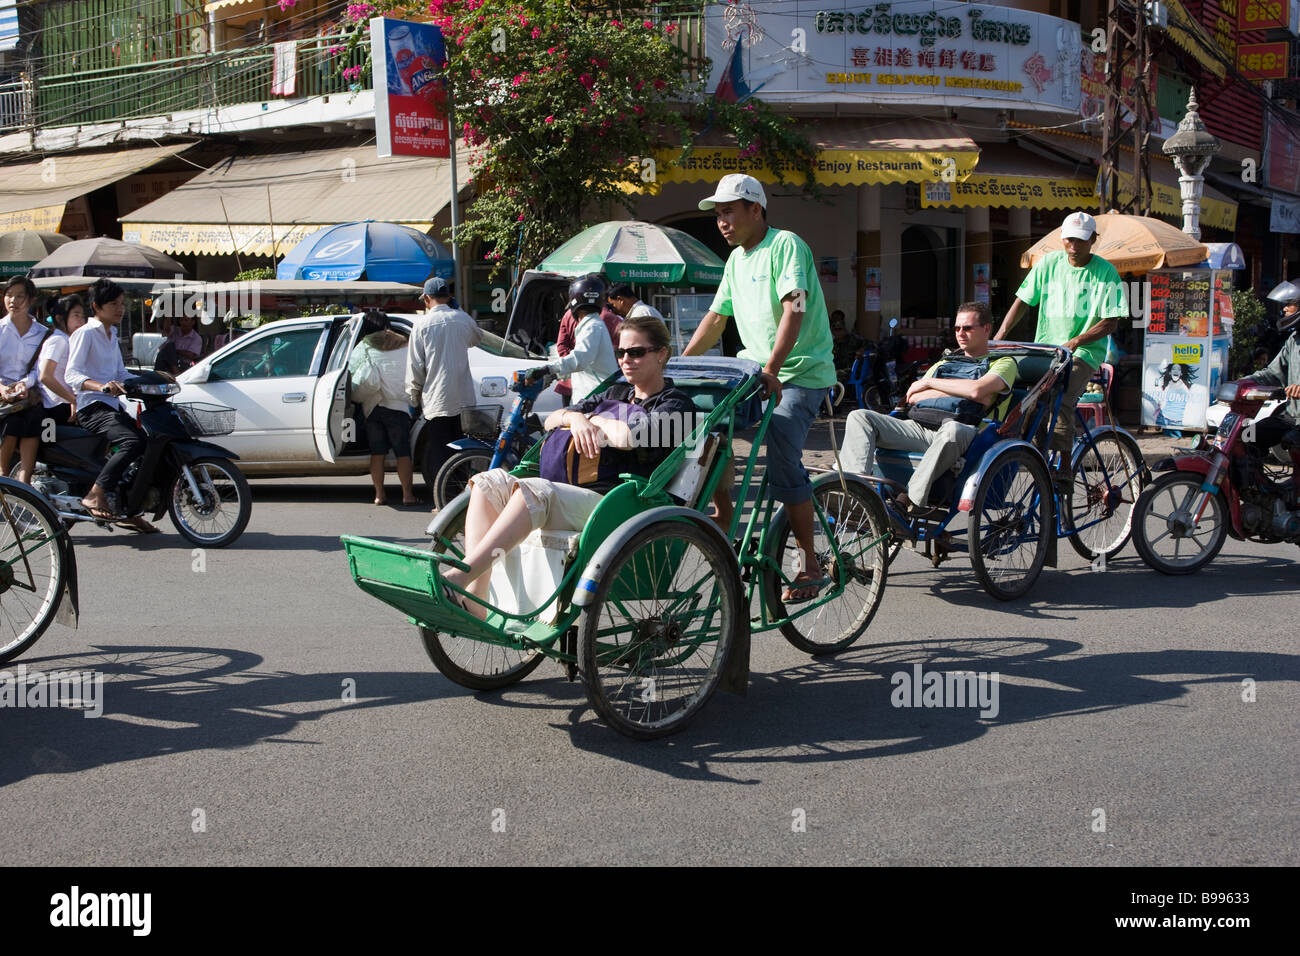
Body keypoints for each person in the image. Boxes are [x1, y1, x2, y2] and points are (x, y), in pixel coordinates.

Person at [443, 315, 694, 619]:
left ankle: (460, 577)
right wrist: (575, 419)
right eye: (621, 353)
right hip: (576, 492)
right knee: (486, 481)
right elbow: (552, 419)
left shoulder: (677, 405)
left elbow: (630, 437)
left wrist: (596, 420)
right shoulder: (616, 393)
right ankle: (475, 594)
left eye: (637, 352)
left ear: (662, 354)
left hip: (622, 505)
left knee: (532, 491)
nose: (626, 360)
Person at [682, 173, 836, 603]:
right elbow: (716, 319)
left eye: (729, 211)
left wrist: (773, 368)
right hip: (753, 371)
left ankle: (809, 561)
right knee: (707, 431)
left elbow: (796, 307)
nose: (722, 221)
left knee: (782, 455)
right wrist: (677, 364)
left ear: (756, 209)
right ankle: (726, 517)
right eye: (717, 214)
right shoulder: (735, 261)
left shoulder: (786, 245)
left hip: (801, 374)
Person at [842, 302, 1018, 513]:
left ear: (987, 329)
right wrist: (958, 390)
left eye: (967, 328)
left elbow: (977, 392)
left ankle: (907, 500)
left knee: (953, 430)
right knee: (859, 416)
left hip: (967, 434)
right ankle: (855, 491)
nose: (960, 333)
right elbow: (913, 395)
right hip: (921, 426)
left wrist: (930, 383)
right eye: (957, 328)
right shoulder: (944, 363)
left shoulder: (1003, 362)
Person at [995, 210, 1126, 481]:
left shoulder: (1106, 272)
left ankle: (1065, 464)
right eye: (1069, 240)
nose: (1074, 247)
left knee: (1061, 396)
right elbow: (1022, 300)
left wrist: (1077, 340)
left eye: (1080, 241)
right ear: (1062, 239)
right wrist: (1001, 332)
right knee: (1023, 391)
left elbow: (1110, 322)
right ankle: (1033, 451)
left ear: (1092, 240)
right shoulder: (1048, 264)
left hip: (1085, 352)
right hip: (1048, 348)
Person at [66, 278, 158, 532]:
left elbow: (120, 372)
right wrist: (101, 386)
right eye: (114, 304)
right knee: (132, 441)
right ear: (96, 306)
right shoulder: (85, 334)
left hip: (111, 407)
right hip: (92, 407)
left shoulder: (111, 334)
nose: (120, 309)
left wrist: (152, 380)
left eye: (122, 304)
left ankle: (128, 509)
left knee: (147, 444)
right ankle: (96, 493)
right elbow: (71, 375)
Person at [406, 276, 483, 488]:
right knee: (464, 449)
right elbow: (477, 338)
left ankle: (444, 498)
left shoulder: (422, 324)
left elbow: (415, 365)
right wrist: (458, 312)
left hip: (437, 400)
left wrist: (413, 396)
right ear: (450, 297)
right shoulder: (463, 319)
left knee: (441, 452)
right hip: (464, 399)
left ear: (427, 298)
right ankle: (464, 496)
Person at [349, 312, 418, 507]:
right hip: (398, 407)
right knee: (402, 452)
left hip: (373, 407)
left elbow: (351, 372)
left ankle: (379, 495)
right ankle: (407, 495)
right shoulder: (404, 345)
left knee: (377, 452)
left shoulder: (363, 346)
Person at [0, 276, 54, 484]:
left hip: (27, 395)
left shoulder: (42, 333)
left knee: (34, 418)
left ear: (31, 300)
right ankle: (4, 477)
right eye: (9, 295)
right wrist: (3, 388)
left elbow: (39, 368)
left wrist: (25, 384)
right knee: (13, 422)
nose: (13, 300)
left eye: (19, 296)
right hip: (3, 397)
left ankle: (25, 481)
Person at [534, 275, 618, 403]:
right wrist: (555, 374)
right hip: (592, 396)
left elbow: (579, 359)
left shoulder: (592, 327)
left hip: (596, 398)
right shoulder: (593, 324)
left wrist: (548, 369)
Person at [1249, 294, 1300, 453]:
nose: (1284, 309)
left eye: (1290, 304)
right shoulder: (1294, 339)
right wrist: (1242, 382)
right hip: (1292, 416)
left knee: (1292, 441)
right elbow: (1273, 373)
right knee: (1247, 437)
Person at [553, 296, 621, 407]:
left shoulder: (591, 325)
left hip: (595, 392)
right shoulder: (609, 318)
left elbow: (569, 352)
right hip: (589, 388)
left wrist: (552, 369)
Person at [36, 293, 82, 435]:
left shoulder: (68, 340)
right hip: (58, 407)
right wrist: (74, 401)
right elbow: (45, 376)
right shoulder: (58, 341)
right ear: (60, 318)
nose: (81, 321)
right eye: (76, 315)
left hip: (64, 404)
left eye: (82, 316)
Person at [829, 309, 866, 381]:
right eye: (835, 330)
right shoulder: (833, 343)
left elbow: (870, 344)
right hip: (839, 372)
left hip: (852, 372)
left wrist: (862, 350)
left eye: (840, 329)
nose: (838, 332)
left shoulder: (854, 340)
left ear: (845, 329)